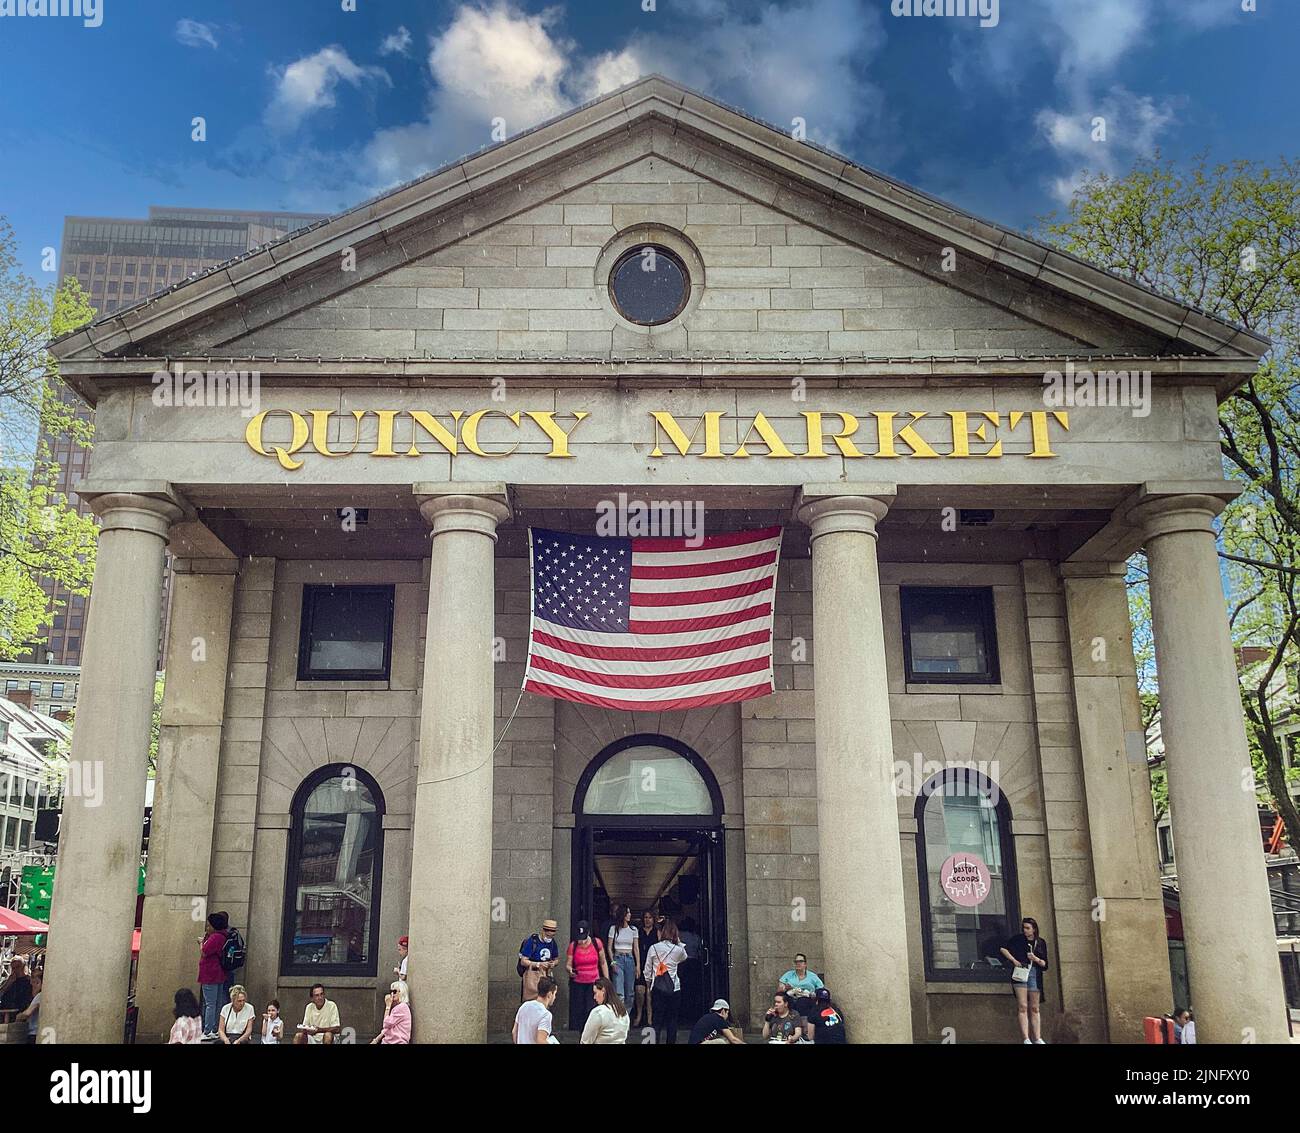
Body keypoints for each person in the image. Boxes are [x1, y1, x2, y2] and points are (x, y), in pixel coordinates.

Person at [999, 916, 1049, 1044]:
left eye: (1028, 928)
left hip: (1034, 973)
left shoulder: (1040, 942)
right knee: (1022, 1005)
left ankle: (1037, 1037)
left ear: (1034, 929)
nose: (1025, 931)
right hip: (1021, 971)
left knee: (1035, 1007)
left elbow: (1045, 964)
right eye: (1024, 928)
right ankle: (1026, 1038)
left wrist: (1035, 959)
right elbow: (1003, 949)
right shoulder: (1018, 939)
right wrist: (1014, 960)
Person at [643, 917, 688, 1044]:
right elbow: (684, 956)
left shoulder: (653, 948)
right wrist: (678, 941)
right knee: (672, 1020)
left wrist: (648, 985)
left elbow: (647, 970)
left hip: (657, 987)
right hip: (674, 988)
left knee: (656, 1021)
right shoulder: (678, 950)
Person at [566, 920, 609, 1031]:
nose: (581, 941)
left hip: (594, 981)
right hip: (579, 982)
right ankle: (582, 1032)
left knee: (592, 1008)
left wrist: (606, 980)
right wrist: (570, 970)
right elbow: (568, 964)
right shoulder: (573, 946)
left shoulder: (596, 943)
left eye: (583, 939)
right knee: (579, 1010)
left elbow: (603, 962)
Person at [198, 911, 229, 1038]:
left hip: (210, 973)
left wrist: (201, 942)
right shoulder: (223, 936)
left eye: (209, 925)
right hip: (219, 973)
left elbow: (204, 951)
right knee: (216, 1002)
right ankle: (215, 1028)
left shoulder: (215, 937)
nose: (207, 928)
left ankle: (208, 1030)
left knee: (209, 1003)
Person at [517, 917, 561, 1001]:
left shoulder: (552, 943)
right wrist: (538, 964)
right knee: (531, 1000)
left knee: (545, 1000)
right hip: (533, 975)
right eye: (547, 935)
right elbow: (523, 961)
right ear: (543, 931)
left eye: (552, 936)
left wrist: (553, 963)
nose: (549, 938)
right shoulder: (533, 941)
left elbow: (556, 959)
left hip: (546, 975)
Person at [606, 904, 640, 1007]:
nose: (629, 915)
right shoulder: (613, 929)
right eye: (627, 913)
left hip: (630, 958)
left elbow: (636, 948)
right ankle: (619, 1017)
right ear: (623, 914)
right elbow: (609, 947)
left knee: (630, 992)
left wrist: (638, 965)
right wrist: (613, 962)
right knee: (619, 992)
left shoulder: (633, 930)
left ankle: (626, 1016)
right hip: (618, 958)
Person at [580, 976, 630, 1044]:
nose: (594, 997)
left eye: (595, 993)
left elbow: (585, 1041)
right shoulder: (624, 1011)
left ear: (603, 990)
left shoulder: (598, 1012)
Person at [513, 976, 558, 1045]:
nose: (555, 997)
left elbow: (514, 1032)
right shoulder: (545, 1015)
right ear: (549, 994)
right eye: (555, 994)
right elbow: (541, 1041)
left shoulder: (524, 1006)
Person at [777, 953, 824, 1018]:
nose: (798, 963)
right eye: (796, 962)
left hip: (807, 1001)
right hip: (791, 999)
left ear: (805, 964)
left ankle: (801, 1023)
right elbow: (779, 991)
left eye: (800, 961)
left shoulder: (813, 976)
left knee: (802, 1002)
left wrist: (814, 995)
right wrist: (785, 988)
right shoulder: (788, 975)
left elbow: (821, 990)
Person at [633, 909, 658, 1027]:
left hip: (653, 964)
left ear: (653, 919)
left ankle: (650, 1017)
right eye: (645, 917)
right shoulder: (638, 932)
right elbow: (636, 948)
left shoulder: (657, 932)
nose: (647, 920)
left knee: (650, 992)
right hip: (641, 963)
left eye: (649, 917)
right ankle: (638, 1014)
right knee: (639, 990)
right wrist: (637, 965)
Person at [17, 970, 41, 1044]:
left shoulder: (40, 996)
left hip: (34, 1033)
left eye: (33, 980)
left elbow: (27, 1014)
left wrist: (18, 1017)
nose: (31, 983)